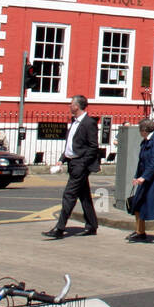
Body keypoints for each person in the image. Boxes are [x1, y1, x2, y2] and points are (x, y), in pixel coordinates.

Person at [43, 95, 101, 239]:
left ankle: (59, 228)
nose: (69, 106)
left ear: (77, 106)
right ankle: (92, 225)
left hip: (80, 164)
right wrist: (61, 160)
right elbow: (70, 145)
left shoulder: (89, 123)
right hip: (72, 162)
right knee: (84, 196)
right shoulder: (74, 122)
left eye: (71, 104)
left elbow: (93, 147)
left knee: (69, 195)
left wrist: (83, 164)